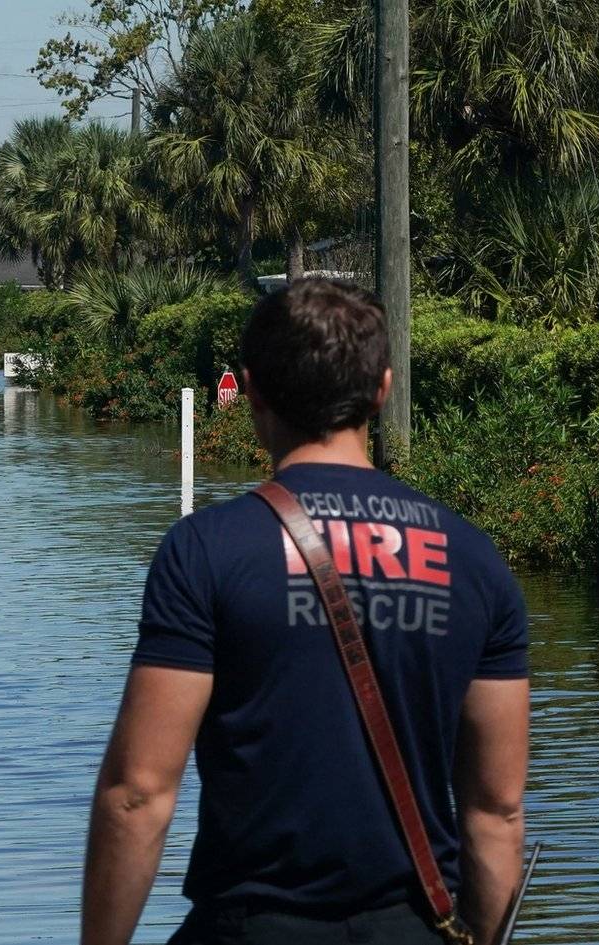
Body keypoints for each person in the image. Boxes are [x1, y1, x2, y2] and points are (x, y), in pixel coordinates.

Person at [81, 277, 529, 945]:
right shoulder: (474, 559)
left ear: (253, 389)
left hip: (250, 925)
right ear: (382, 388)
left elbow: (138, 793)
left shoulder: (206, 551)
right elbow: (496, 809)